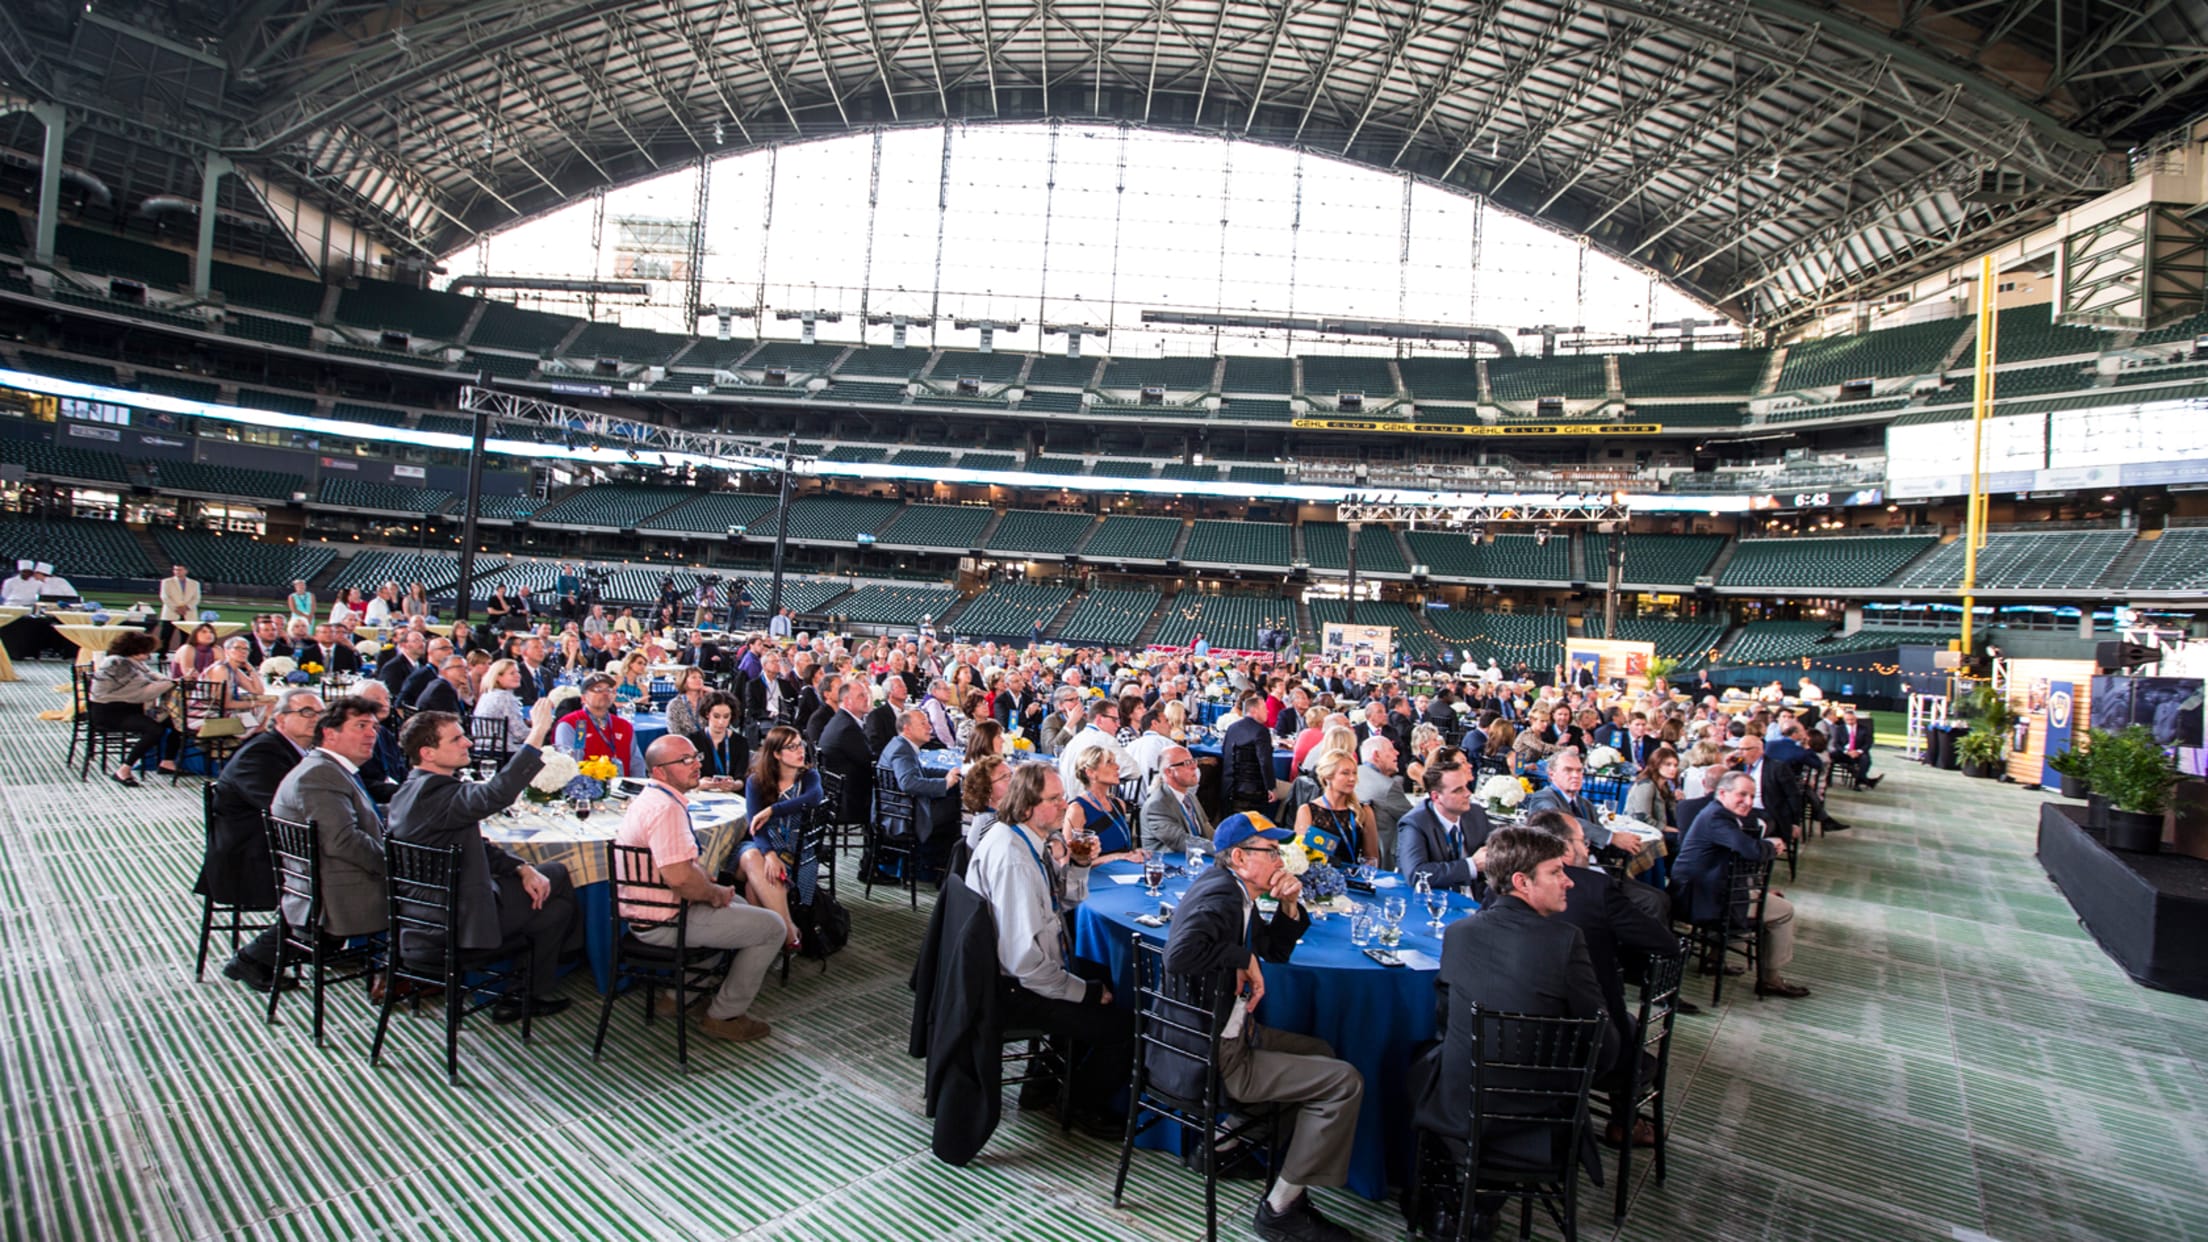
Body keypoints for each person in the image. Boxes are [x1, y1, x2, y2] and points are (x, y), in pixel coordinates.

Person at [1163, 812, 1363, 1242]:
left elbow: (1273, 951)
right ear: (1238, 857)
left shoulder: (1235, 891)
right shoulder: (1222, 897)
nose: (1280, 861)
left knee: (1321, 1054)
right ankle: (1281, 1208)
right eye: (1270, 852)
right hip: (1214, 1051)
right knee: (1344, 1082)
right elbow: (1177, 956)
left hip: (1221, 1034)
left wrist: (1290, 905)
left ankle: (1224, 1142)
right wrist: (1242, 959)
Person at [1416, 826, 1615, 1236]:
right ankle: (1477, 1203)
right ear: (1522, 882)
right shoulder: (1565, 941)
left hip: (1463, 1109)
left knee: (1420, 1066)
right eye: (1557, 872)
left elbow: (1446, 1019)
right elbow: (1603, 1045)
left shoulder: (1458, 933)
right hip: (1537, 1119)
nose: (1570, 880)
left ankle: (1454, 1201)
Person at [388, 698, 577, 1023]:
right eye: (457, 739)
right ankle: (543, 979)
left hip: (423, 915)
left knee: (553, 903)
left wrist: (521, 867)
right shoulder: (437, 795)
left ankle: (526, 989)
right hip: (455, 921)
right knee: (558, 882)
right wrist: (537, 735)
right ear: (427, 753)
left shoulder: (409, 790)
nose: (469, 742)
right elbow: (496, 795)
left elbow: (471, 844)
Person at [965, 764, 1130, 1132]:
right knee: (1123, 1020)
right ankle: (1082, 1105)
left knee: (1104, 977)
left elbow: (1061, 901)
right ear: (1027, 807)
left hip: (1020, 971)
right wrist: (1082, 992)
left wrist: (1081, 862)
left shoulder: (1026, 840)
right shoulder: (1014, 859)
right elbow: (1023, 960)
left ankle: (1043, 1082)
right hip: (1007, 988)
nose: (1063, 806)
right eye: (1054, 800)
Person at [1519, 808, 1677, 1130]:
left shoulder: (1509, 885)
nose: (1588, 848)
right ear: (1565, 849)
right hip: (1588, 1039)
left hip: (1515, 1033)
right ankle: (1624, 1124)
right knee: (1627, 1027)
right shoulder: (1595, 888)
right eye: (1583, 840)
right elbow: (1665, 944)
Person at [200, 689, 324, 991]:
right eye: (306, 712)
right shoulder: (262, 752)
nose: (316, 720)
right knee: (335, 879)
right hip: (248, 854)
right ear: (280, 719)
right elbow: (280, 809)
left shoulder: (294, 750)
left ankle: (320, 942)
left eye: (320, 713)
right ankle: (253, 958)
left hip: (273, 842)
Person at [1672, 771, 1809, 998]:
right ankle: (1770, 978)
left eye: (1751, 796)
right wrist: (1771, 845)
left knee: (1762, 900)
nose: (1747, 802)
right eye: (1742, 795)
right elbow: (1751, 850)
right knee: (1785, 911)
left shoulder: (1716, 813)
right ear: (1723, 793)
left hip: (1706, 889)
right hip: (1699, 897)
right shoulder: (1717, 818)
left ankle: (1715, 958)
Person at [269, 697, 389, 944]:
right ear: (329, 734)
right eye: (361, 726)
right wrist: (395, 866)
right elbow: (343, 841)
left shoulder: (327, 768)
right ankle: (415, 974)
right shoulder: (319, 775)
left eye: (374, 727)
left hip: (334, 881)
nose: (371, 735)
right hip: (341, 895)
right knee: (452, 888)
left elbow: (361, 815)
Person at [739, 726, 824, 951]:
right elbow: (755, 827)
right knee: (752, 856)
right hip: (762, 844)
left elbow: (814, 798)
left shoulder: (808, 777)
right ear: (776, 754)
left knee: (752, 885)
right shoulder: (757, 781)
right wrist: (770, 855)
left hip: (797, 849)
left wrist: (773, 810)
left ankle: (760, 947)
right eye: (792, 747)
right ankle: (788, 930)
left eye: (800, 745)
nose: (800, 751)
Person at [1522, 750, 1652, 861]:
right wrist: (1611, 837)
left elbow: (1601, 846)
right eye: (1568, 770)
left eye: (1579, 771)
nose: (1575, 775)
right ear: (1552, 774)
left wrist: (1628, 844)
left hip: (1593, 867)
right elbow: (1557, 820)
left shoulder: (1586, 805)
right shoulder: (1542, 797)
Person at [89, 630, 180, 785]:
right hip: (109, 712)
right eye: (147, 651)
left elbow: (152, 675)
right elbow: (144, 692)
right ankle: (123, 770)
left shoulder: (131, 662)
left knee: (176, 721)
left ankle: (167, 762)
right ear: (136, 650)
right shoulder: (118, 664)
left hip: (128, 709)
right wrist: (175, 682)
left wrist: (171, 680)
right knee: (154, 730)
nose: (149, 655)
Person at [1396, 759, 1493, 894]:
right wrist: (1471, 865)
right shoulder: (1415, 824)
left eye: (1466, 786)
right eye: (1458, 790)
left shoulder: (1475, 813)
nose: (1468, 793)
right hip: (1432, 901)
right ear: (1436, 797)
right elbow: (1416, 874)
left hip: (1476, 899)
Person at [880, 706, 962, 842]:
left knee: (951, 796)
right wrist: (945, 783)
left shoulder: (900, 744)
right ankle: (940, 858)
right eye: (923, 723)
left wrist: (948, 773)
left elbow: (921, 771)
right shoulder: (901, 751)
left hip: (898, 807)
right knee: (955, 807)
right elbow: (908, 783)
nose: (929, 727)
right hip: (901, 815)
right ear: (907, 729)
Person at [1292, 749, 1378, 868]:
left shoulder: (1363, 811)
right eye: (1345, 773)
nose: (1352, 778)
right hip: (1319, 877)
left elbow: (1372, 858)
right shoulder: (1307, 811)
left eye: (1354, 773)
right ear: (1328, 776)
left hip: (1353, 878)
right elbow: (1300, 856)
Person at [1063, 746, 1143, 865]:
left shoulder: (1119, 804)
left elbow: (1122, 848)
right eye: (1109, 762)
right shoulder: (1078, 809)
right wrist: (1116, 857)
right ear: (1090, 772)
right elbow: (1069, 861)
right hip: (1097, 878)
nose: (1117, 767)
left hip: (1123, 873)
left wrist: (1135, 853)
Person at [554, 672, 635, 777]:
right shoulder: (574, 724)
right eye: (598, 689)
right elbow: (569, 766)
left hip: (622, 788)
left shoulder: (624, 726)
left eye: (609, 690)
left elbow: (637, 764)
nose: (605, 693)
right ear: (583, 698)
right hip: (585, 788)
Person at [817, 679, 876, 825]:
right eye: (861, 696)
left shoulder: (842, 720)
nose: (866, 698)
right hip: (850, 799)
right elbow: (869, 761)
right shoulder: (846, 728)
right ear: (847, 701)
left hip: (842, 792)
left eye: (866, 694)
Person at [1138, 745, 1212, 854]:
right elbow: (1182, 842)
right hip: (1170, 864)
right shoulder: (1157, 805)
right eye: (1187, 763)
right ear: (1169, 772)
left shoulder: (1189, 796)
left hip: (1195, 858)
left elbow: (1207, 829)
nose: (1194, 767)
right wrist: (1222, 850)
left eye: (1193, 761)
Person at [1354, 735, 1414, 860]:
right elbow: (1414, 819)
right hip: (1384, 856)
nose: (1397, 753)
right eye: (1391, 750)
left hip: (1357, 851)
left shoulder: (1354, 774)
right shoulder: (1388, 786)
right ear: (1376, 755)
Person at [687, 691, 749, 793]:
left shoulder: (741, 742)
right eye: (716, 716)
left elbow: (741, 778)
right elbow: (684, 776)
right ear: (707, 714)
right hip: (700, 793)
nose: (721, 722)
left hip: (730, 795)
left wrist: (733, 785)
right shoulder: (692, 740)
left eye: (726, 717)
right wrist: (698, 783)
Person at [1623, 746, 1683, 837]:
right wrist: (1670, 829)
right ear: (1656, 764)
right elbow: (1642, 818)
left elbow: (1673, 814)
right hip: (1643, 834)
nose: (1673, 769)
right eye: (1668, 764)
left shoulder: (1665, 786)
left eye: (1675, 765)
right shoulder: (1647, 785)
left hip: (1659, 832)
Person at [960, 754, 1014, 852]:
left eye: (1011, 774)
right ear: (987, 789)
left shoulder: (1003, 815)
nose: (1013, 781)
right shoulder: (989, 825)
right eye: (1004, 777)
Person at [473, 658, 530, 751]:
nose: (518, 676)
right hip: (503, 750)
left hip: (482, 748)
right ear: (498, 677)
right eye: (512, 673)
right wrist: (540, 729)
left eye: (518, 672)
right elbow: (520, 734)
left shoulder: (487, 694)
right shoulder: (505, 697)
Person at [1832, 704, 1881, 788]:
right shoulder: (1839, 729)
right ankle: (1866, 781)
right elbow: (1836, 744)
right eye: (1848, 720)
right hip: (1844, 753)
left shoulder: (1864, 729)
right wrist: (1846, 752)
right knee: (1832, 755)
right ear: (1844, 720)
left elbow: (1868, 742)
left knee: (1865, 759)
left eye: (1852, 719)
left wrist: (1858, 751)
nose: (1850, 722)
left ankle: (1858, 782)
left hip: (1858, 752)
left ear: (1856, 719)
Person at [158, 564, 201, 649]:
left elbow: (196, 598)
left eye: (180, 570)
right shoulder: (166, 582)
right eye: (175, 570)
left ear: (186, 571)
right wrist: (176, 608)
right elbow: (164, 597)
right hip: (171, 613)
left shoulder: (194, 583)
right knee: (165, 636)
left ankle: (182, 655)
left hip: (188, 613)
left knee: (186, 637)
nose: (177, 572)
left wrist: (187, 607)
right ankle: (162, 656)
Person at [665, 666, 711, 739]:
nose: (698, 680)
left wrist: (714, 695)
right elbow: (674, 731)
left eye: (700, 677)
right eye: (694, 677)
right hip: (685, 744)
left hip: (709, 742)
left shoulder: (708, 701)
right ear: (684, 681)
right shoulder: (675, 704)